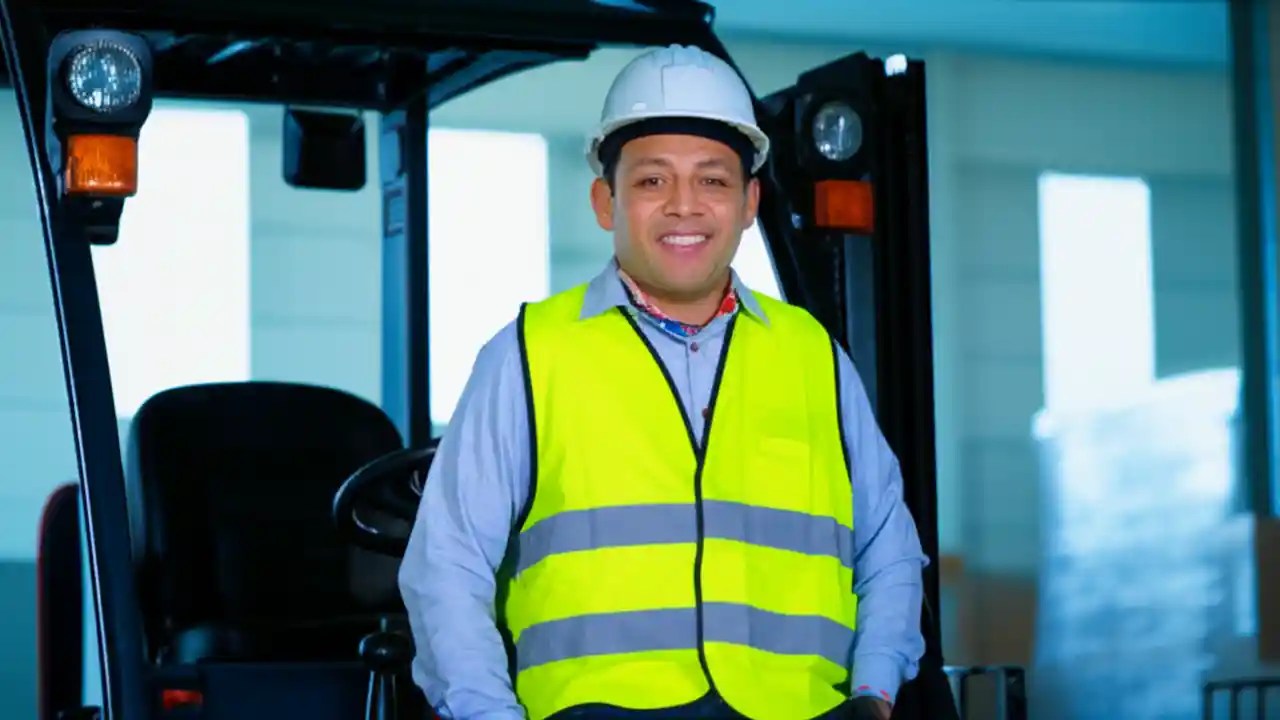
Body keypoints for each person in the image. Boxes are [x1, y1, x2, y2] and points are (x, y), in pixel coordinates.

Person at [398, 44, 928, 720]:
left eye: (713, 180)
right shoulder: (530, 356)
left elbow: (889, 547)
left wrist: (875, 693)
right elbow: (446, 568)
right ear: (604, 199)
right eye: (652, 181)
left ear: (749, 203)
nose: (685, 206)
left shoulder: (812, 356)